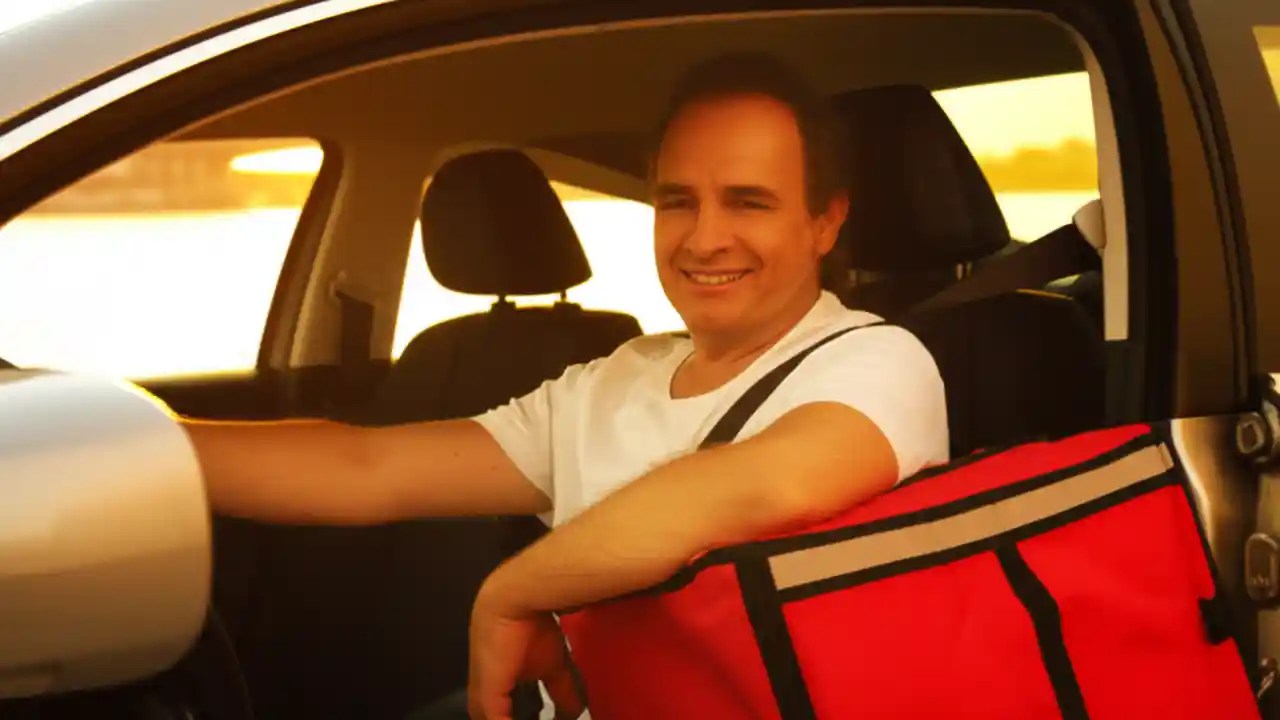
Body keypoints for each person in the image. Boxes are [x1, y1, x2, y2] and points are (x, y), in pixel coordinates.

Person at [184, 53, 948, 720]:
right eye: (677, 200)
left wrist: (512, 591)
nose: (705, 236)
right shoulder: (614, 378)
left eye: (748, 201)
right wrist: (140, 442)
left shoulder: (877, 361)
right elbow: (366, 469)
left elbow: (763, 486)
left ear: (825, 222)